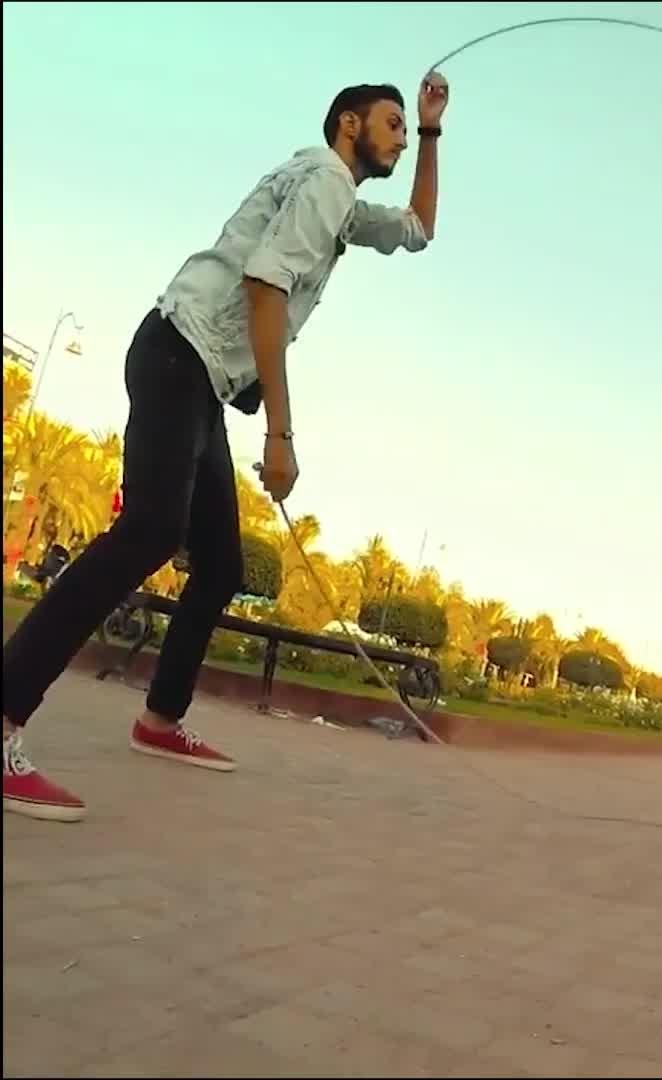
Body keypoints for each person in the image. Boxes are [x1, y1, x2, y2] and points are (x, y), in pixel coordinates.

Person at [2, 76, 451, 823]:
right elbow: (265, 289)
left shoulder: (341, 203)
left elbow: (419, 229)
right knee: (147, 530)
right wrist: (280, 432)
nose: (402, 137)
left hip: (199, 377)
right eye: (395, 123)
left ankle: (160, 719)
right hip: (180, 353)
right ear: (350, 124)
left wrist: (435, 133)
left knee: (220, 567)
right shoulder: (324, 183)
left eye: (410, 129)